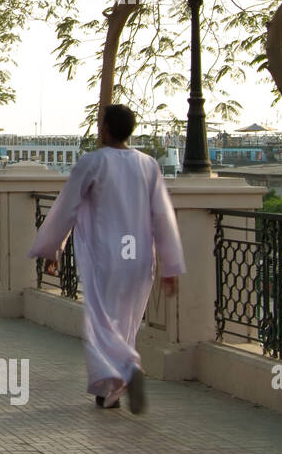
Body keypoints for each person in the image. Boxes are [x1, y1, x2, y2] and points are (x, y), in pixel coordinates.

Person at [28, 104, 185, 414]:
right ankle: (110, 395)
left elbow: (66, 207)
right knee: (124, 325)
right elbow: (163, 217)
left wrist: (52, 248)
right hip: (139, 258)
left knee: (102, 324)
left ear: (106, 129)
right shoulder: (149, 165)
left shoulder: (92, 162)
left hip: (107, 257)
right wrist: (170, 264)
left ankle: (128, 368)